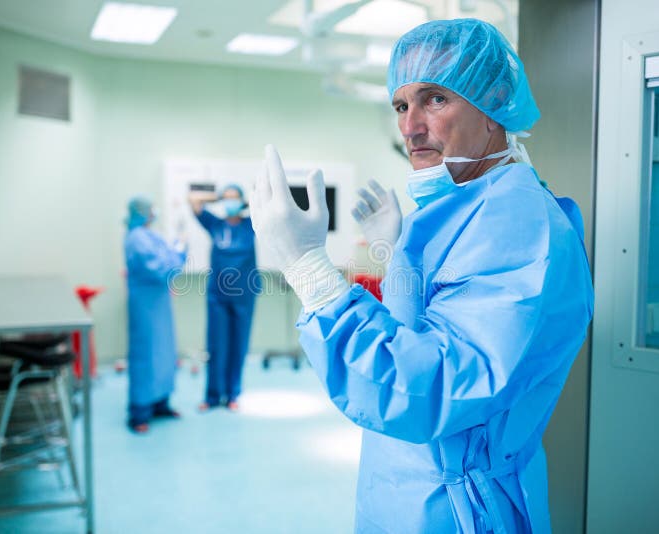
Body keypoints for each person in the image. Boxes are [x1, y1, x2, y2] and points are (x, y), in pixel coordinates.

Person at [249, 19, 594, 534]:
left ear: (494, 99)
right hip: (408, 490)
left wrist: (310, 272)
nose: (409, 127)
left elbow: (436, 386)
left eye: (434, 99)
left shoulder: (520, 223)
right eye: (400, 105)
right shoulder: (465, 209)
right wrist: (398, 254)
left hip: (461, 510)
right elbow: (427, 325)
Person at [189, 185, 258, 411]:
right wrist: (219, 197)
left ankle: (232, 394)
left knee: (238, 346)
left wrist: (246, 200)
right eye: (225, 200)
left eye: (233, 199)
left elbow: (268, 207)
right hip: (218, 296)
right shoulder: (215, 223)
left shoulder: (252, 224)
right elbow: (194, 200)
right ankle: (211, 396)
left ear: (242, 200)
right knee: (216, 346)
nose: (229, 203)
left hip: (244, 296)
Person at [124, 196, 187, 433]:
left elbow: (166, 255)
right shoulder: (137, 238)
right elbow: (161, 267)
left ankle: (161, 404)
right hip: (145, 305)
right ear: (142, 212)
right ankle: (139, 412)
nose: (154, 212)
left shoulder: (148, 234)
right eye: (151, 209)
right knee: (146, 355)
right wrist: (180, 250)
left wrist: (176, 249)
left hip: (159, 303)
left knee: (163, 352)